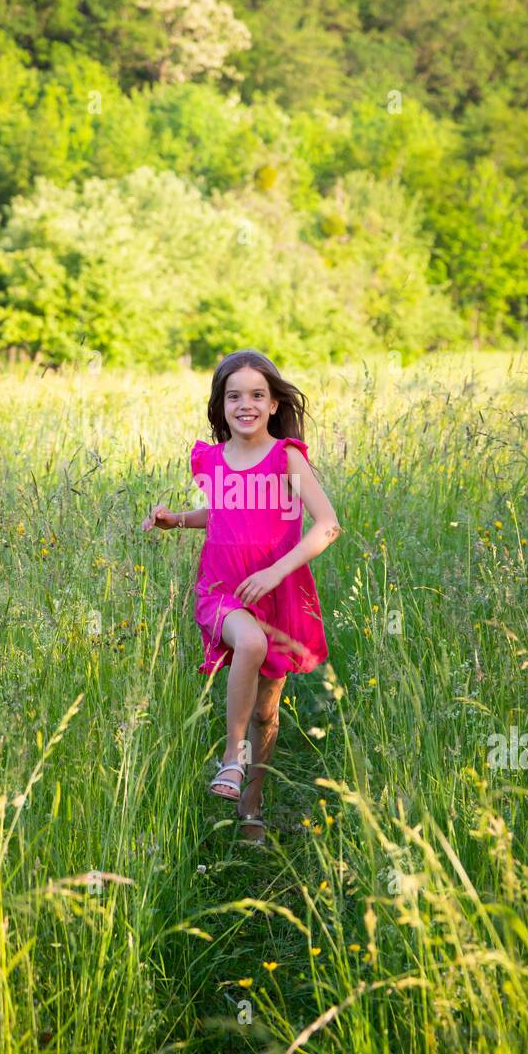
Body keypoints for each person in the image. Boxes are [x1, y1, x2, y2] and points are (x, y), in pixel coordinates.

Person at [141, 349, 340, 843]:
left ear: (274, 403)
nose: (245, 404)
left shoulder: (286, 457)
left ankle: (251, 806)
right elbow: (223, 513)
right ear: (220, 404)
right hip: (222, 590)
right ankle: (232, 757)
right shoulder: (211, 458)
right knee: (249, 644)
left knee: (267, 712)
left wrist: (275, 572)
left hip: (278, 591)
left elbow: (328, 526)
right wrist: (178, 520)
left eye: (256, 395)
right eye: (234, 396)